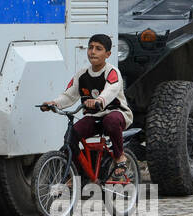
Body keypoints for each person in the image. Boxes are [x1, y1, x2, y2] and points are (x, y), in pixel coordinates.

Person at [41, 33, 133, 179]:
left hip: (117, 113)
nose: (93, 51)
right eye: (90, 47)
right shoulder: (82, 74)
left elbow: (111, 90)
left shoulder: (112, 72)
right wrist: (54, 103)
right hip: (94, 116)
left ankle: (119, 156)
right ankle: (75, 174)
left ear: (108, 54)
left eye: (98, 48)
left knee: (111, 120)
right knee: (71, 136)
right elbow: (69, 95)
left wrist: (100, 100)